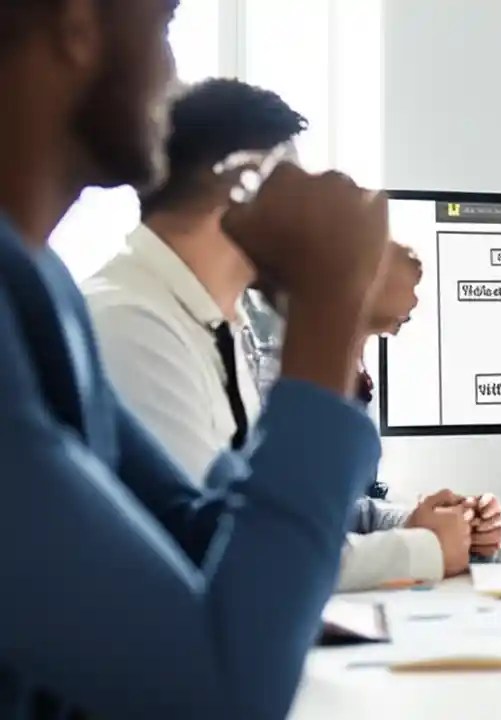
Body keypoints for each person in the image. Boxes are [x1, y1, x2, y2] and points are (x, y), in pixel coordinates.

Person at [0, 1, 393, 717]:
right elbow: (222, 692)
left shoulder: (39, 287)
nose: (174, 76)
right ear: (78, 24)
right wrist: (329, 304)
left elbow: (196, 534)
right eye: (165, 25)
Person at [83, 78, 501, 592]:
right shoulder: (132, 325)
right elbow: (231, 553)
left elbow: (264, 506)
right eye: (295, 186)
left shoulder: (214, 323)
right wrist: (423, 549)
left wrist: (414, 523)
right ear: (243, 182)